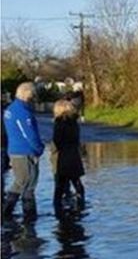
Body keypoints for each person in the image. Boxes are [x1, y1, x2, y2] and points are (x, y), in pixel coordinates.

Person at [3, 82, 46, 218]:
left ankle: (24, 214)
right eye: (33, 94)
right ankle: (12, 212)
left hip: (16, 150)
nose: (34, 97)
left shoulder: (11, 109)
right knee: (25, 182)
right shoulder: (22, 111)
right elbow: (29, 134)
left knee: (24, 183)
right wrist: (39, 148)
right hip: (24, 152)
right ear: (27, 93)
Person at [51, 99, 86, 216]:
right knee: (76, 181)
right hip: (74, 155)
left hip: (63, 156)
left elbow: (57, 141)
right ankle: (81, 203)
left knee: (60, 185)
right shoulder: (74, 122)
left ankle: (58, 208)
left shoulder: (59, 123)